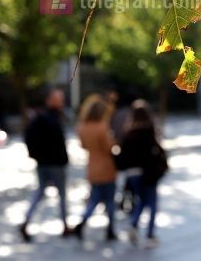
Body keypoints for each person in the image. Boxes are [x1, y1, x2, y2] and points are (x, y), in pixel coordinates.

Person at [20, 88, 71, 242]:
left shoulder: (49, 116)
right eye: (58, 99)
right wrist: (35, 154)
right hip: (52, 164)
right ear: (49, 100)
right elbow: (29, 135)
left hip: (48, 162)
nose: (61, 102)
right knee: (57, 194)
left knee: (42, 193)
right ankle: (63, 224)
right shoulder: (44, 117)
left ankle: (29, 220)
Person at [116, 100, 168, 248]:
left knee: (141, 200)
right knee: (152, 203)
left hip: (132, 174)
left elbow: (122, 155)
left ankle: (133, 224)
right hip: (148, 173)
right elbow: (156, 150)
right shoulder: (148, 130)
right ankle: (150, 235)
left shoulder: (128, 133)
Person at [72, 94, 117, 241]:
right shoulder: (102, 127)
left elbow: (84, 145)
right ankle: (110, 229)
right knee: (110, 200)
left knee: (94, 200)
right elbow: (108, 148)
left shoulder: (83, 127)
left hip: (92, 166)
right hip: (106, 167)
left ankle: (83, 221)